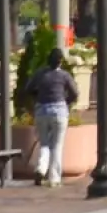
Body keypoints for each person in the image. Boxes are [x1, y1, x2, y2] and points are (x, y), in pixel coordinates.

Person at [26, 48, 78, 187]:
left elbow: (28, 89)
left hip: (42, 110)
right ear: (60, 61)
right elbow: (75, 93)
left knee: (44, 143)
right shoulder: (64, 76)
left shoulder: (40, 74)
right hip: (59, 111)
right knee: (57, 145)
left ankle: (41, 168)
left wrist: (37, 97)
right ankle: (54, 178)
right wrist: (66, 101)